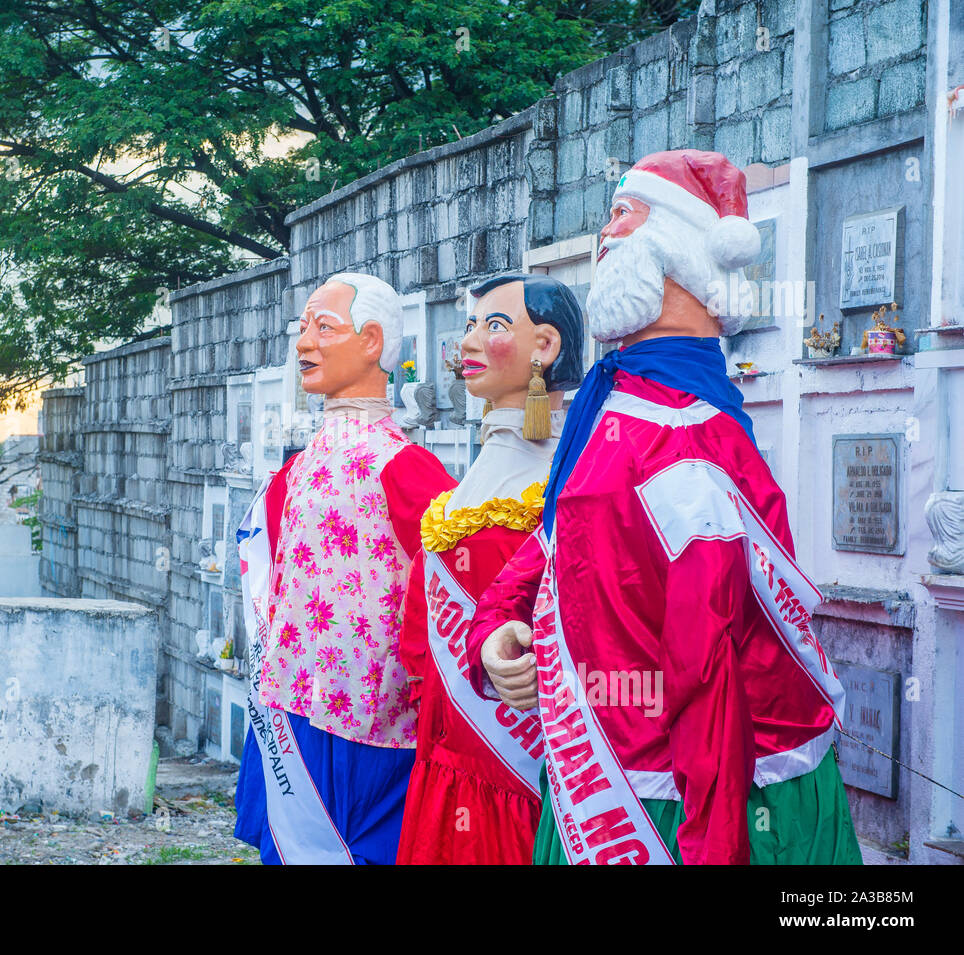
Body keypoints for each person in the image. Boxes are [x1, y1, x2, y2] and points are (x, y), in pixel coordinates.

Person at [467, 150, 861, 865]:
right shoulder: (615, 407)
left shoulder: (687, 437)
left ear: (678, 247)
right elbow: (557, 542)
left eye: (624, 214)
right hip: (601, 777)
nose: (606, 236)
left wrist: (713, 846)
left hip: (675, 810)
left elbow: (709, 668)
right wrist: (496, 627)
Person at [233, 272, 456, 864]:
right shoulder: (295, 471)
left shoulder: (408, 470)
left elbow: (450, 593)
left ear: (373, 342)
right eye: (303, 328)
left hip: (372, 727)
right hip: (292, 713)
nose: (304, 342)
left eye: (324, 327)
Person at [396, 274, 584, 865]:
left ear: (545, 347)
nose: (469, 343)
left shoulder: (573, 485)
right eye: (471, 325)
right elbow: (417, 643)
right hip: (449, 751)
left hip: (533, 761)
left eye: (494, 326)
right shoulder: (470, 488)